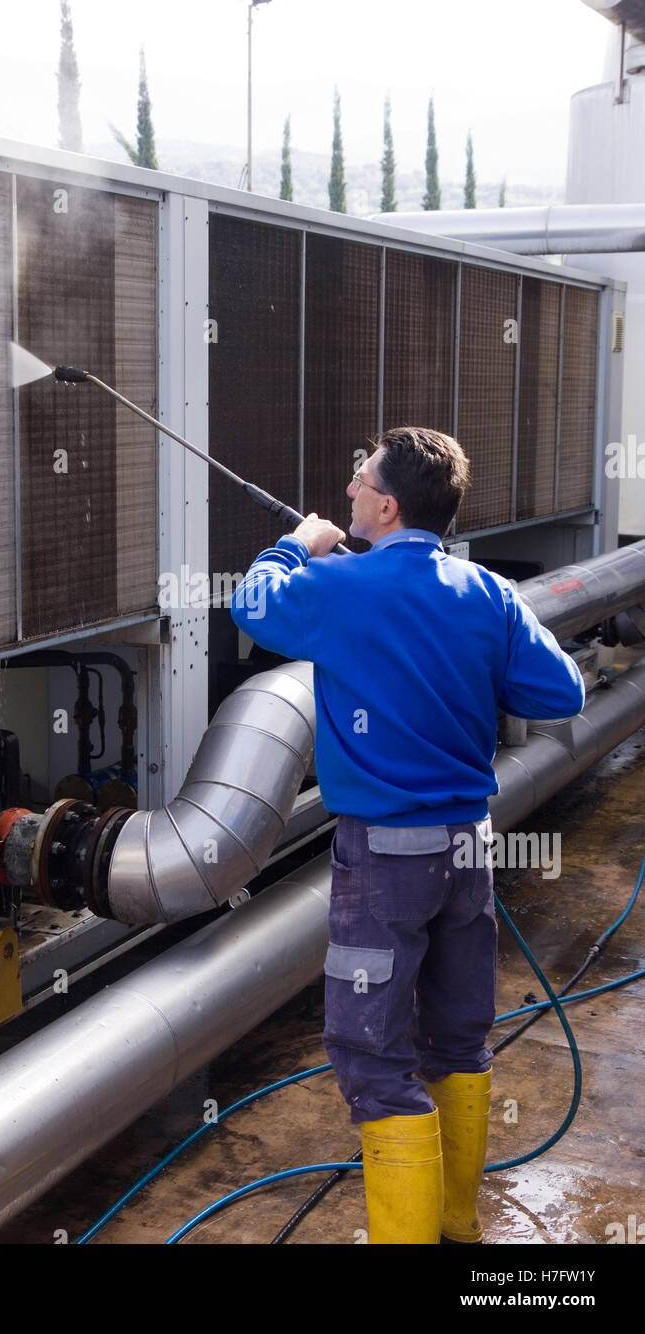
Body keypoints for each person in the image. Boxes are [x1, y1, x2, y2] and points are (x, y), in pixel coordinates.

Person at [229, 426, 586, 1245]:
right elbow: (561, 692)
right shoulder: (488, 593)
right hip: (469, 852)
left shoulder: (341, 586)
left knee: (373, 1059)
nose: (349, 490)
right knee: (459, 1038)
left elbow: (252, 607)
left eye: (359, 482)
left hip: (385, 861)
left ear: (386, 506)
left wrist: (294, 545)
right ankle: (458, 1225)